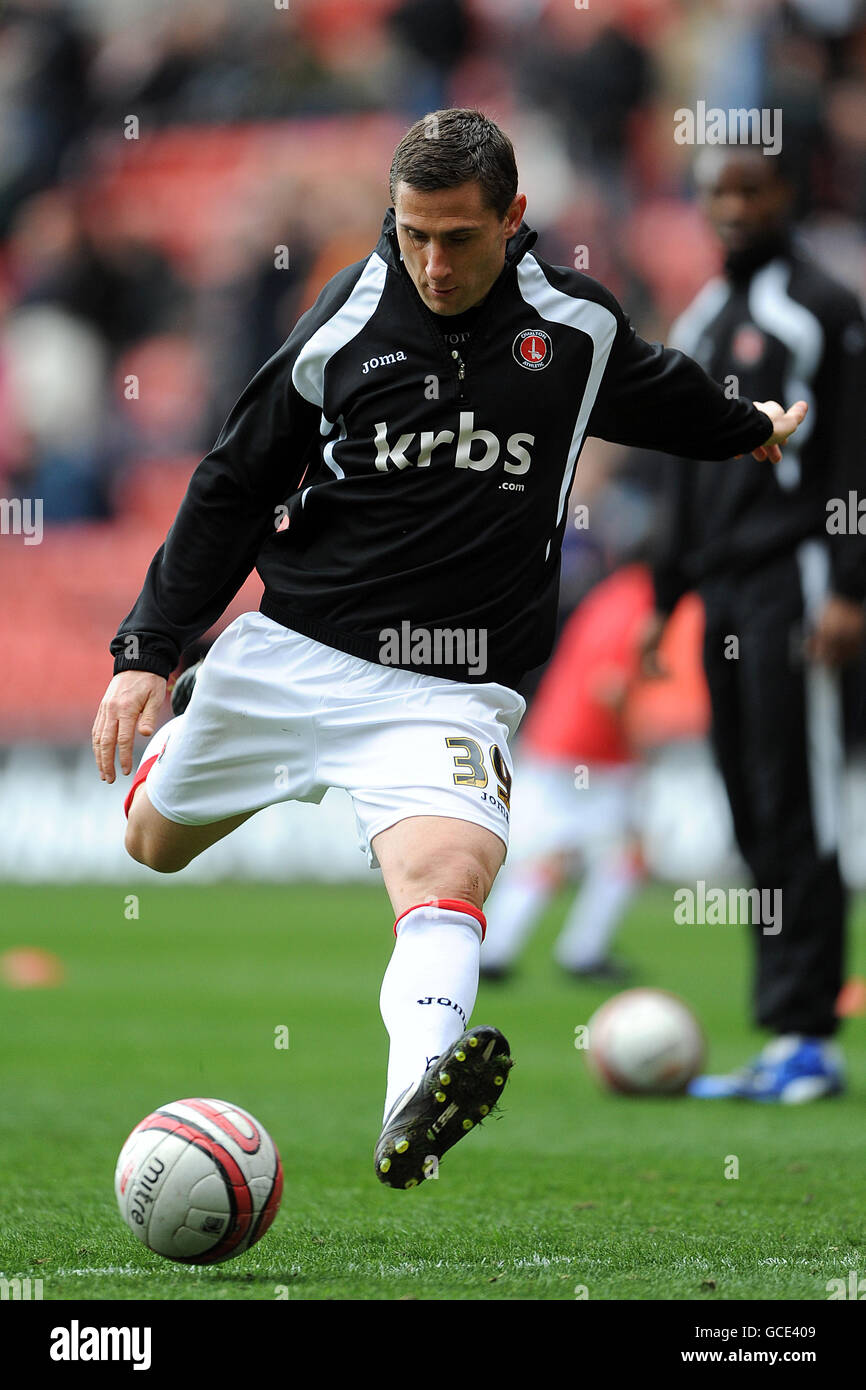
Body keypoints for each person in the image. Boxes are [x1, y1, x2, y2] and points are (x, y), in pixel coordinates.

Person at [91, 109, 806, 1185]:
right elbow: (235, 481)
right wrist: (148, 648)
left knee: (449, 872)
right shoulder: (345, 317)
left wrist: (747, 424)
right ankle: (192, 715)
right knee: (153, 845)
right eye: (412, 232)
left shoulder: (574, 328)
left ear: (513, 219)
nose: (431, 261)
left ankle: (409, 1109)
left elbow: (660, 393)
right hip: (291, 650)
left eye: (458, 238)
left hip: (449, 687)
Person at [641, 146, 866, 1102]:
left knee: (799, 803)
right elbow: (687, 470)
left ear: (789, 192)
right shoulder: (703, 313)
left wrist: (853, 584)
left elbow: (856, 450)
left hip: (801, 581)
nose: (731, 207)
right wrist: (663, 596)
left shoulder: (824, 309)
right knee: (748, 804)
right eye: (716, 191)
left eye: (750, 189)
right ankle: (784, 1032)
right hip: (724, 595)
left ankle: (810, 1034)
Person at [479, 564, 709, 982]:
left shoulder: (611, 596)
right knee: (618, 852)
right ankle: (578, 950)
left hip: (558, 737)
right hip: (593, 750)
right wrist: (640, 742)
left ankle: (499, 950)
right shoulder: (645, 606)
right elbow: (611, 686)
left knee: (559, 853)